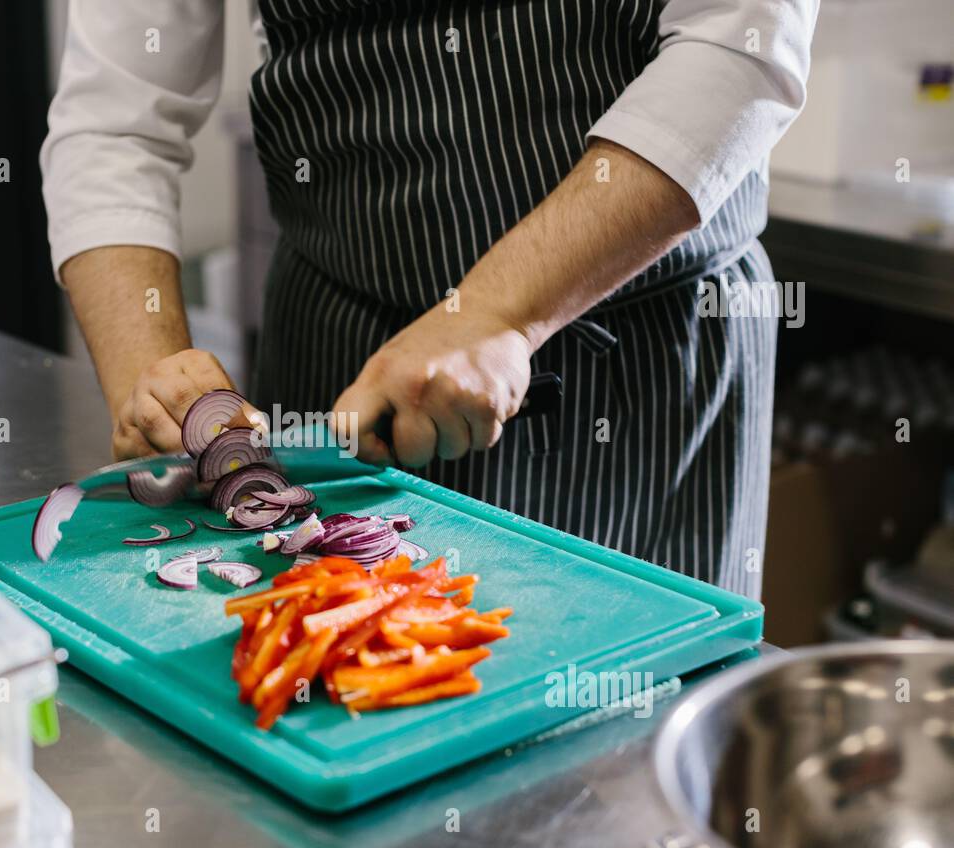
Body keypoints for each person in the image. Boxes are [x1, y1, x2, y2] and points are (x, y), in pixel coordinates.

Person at [41, 0, 817, 600]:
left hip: (645, 364)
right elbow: (117, 125)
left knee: (633, 769)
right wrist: (160, 389)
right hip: (337, 338)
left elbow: (742, 39)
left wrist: (496, 311)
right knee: (334, 720)